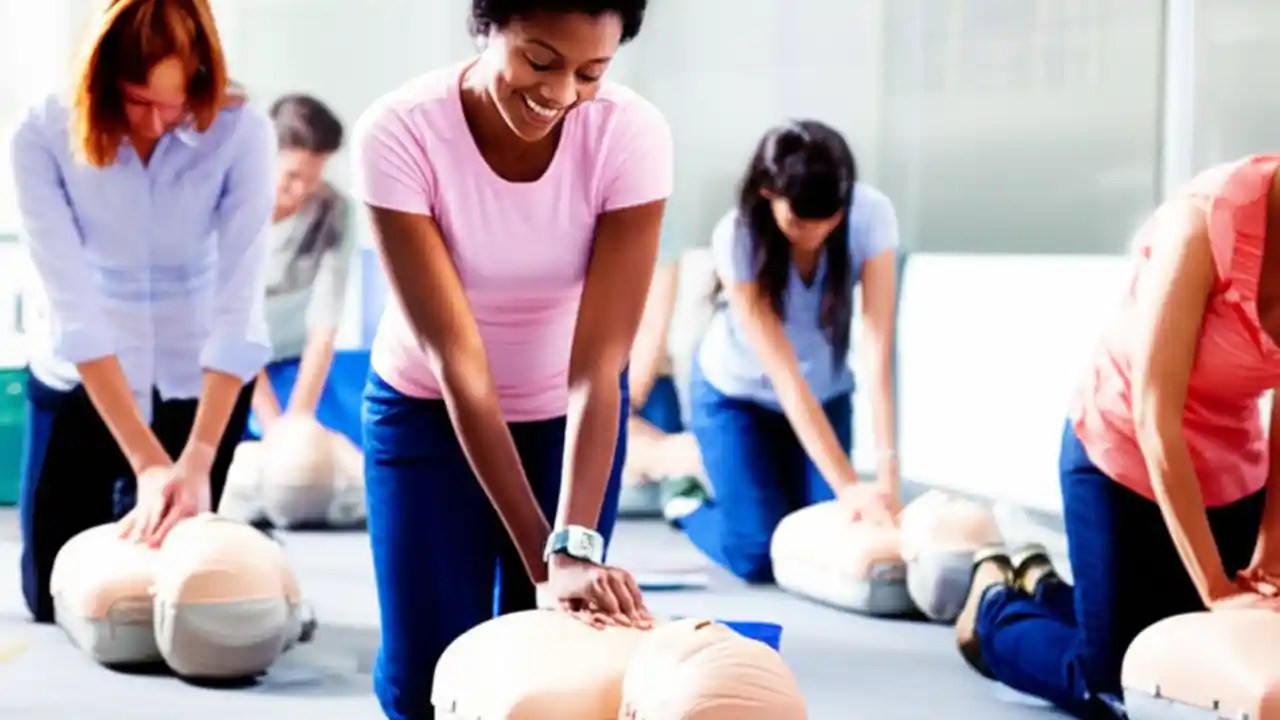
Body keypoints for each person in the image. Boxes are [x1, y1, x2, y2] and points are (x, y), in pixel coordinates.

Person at [350, 0, 671, 716]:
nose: (561, 94)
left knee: (548, 670)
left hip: (569, 419)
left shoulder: (630, 133)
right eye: (539, 60)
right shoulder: (400, 131)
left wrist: (572, 547)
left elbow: (600, 365)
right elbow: (458, 364)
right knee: (424, 681)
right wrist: (543, 557)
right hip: (428, 411)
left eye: (591, 71)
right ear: (485, 25)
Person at [954, 155, 1280, 719]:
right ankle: (993, 607)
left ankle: (1043, 583)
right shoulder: (1201, 223)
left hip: (1228, 466)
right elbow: (1156, 417)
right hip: (1125, 448)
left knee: (1184, 651)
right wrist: (1215, 586)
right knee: (1116, 683)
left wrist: (1269, 559)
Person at [9, 0, 273, 622]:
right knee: (50, 593)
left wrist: (196, 457)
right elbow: (74, 310)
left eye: (172, 103)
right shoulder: (42, 133)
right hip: (87, 379)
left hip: (198, 377)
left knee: (183, 591)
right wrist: (148, 462)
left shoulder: (241, 130)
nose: (156, 122)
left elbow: (238, 303)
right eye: (137, 100)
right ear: (102, 81)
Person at [667, 120, 901, 583]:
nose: (815, 235)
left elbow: (876, 350)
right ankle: (685, 500)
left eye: (828, 221)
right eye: (798, 223)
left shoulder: (872, 214)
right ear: (767, 192)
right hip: (737, 397)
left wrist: (887, 475)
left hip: (826, 394)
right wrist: (850, 486)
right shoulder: (736, 235)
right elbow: (786, 377)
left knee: (828, 535)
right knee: (757, 552)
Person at [250, 94, 361, 447]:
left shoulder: (334, 211)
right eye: (291, 176)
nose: (300, 190)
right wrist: (272, 426)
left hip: (294, 363)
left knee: (331, 446)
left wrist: (297, 421)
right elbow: (230, 327)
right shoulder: (231, 208)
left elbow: (325, 322)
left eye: (312, 178)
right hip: (229, 365)